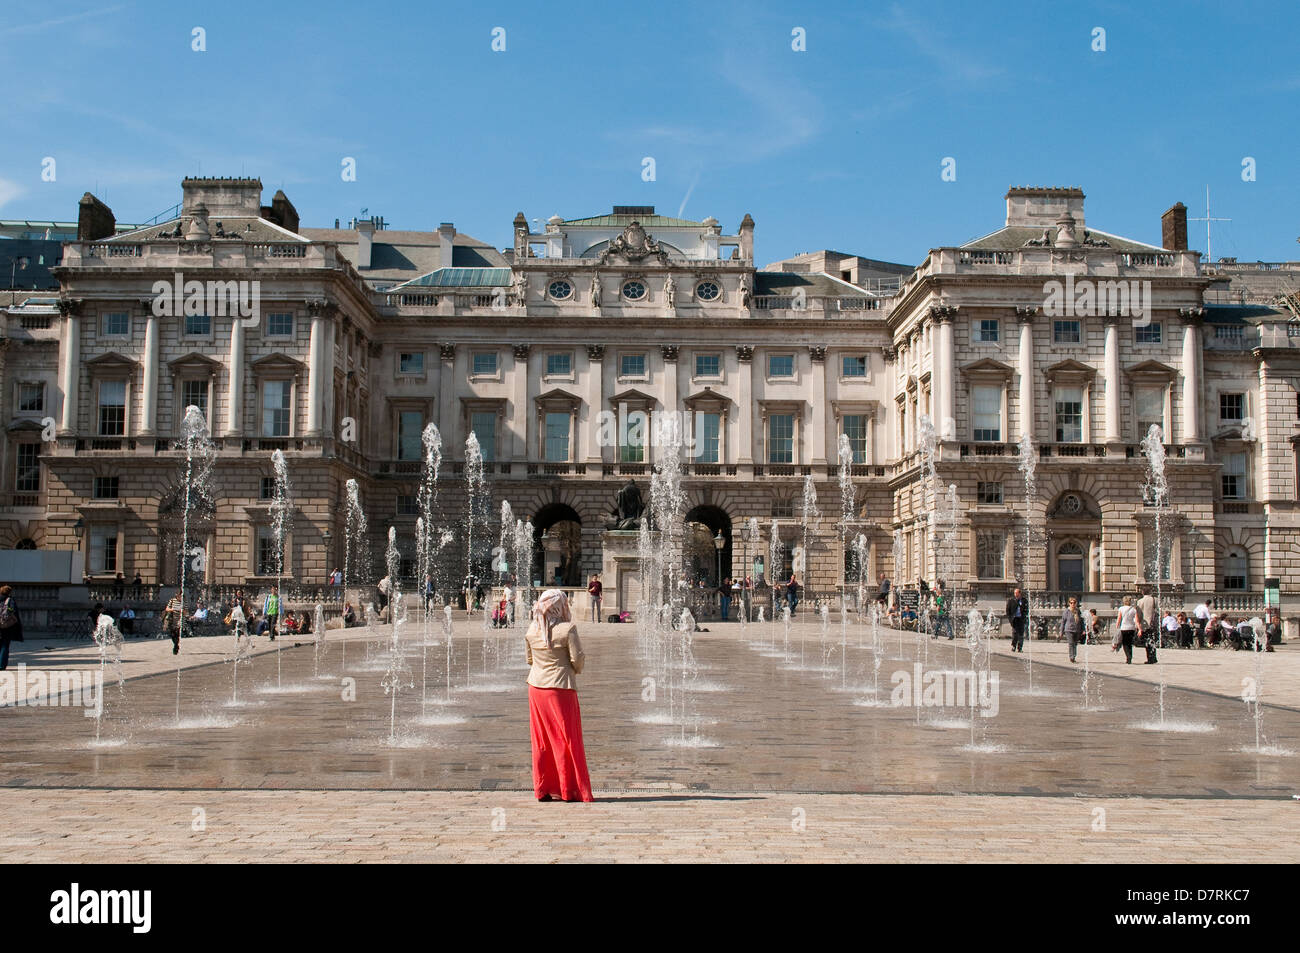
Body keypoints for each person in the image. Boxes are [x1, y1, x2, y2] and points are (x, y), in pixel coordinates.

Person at [523, 589, 593, 803]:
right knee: (565, 738)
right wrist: (571, 669)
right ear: (560, 606)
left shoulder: (532, 629)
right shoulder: (567, 628)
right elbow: (577, 658)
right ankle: (567, 789)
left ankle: (543, 788)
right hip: (560, 687)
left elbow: (529, 660)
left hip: (536, 687)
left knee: (541, 739)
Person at [0, 585, 23, 670]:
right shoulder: (10, 600)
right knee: (5, 645)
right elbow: (13, 611)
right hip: (7, 626)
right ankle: (2, 665)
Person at [1116, 595, 1139, 664]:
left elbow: (1119, 619)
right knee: (1130, 643)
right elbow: (1136, 620)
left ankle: (1128, 657)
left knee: (1125, 643)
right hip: (1132, 628)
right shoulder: (1133, 609)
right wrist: (1139, 628)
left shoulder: (1121, 609)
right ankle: (1130, 657)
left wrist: (1117, 626)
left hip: (1124, 628)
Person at [1060, 596, 1084, 663]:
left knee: (1075, 644)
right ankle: (1071, 657)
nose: (1073, 604)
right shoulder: (1066, 611)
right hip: (1069, 630)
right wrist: (1061, 632)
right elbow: (1063, 621)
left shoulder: (1078, 611)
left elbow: (1081, 621)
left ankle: (1074, 656)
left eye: (1074, 603)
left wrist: (1083, 629)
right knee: (1071, 643)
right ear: (1069, 603)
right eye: (1071, 603)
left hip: (1077, 630)